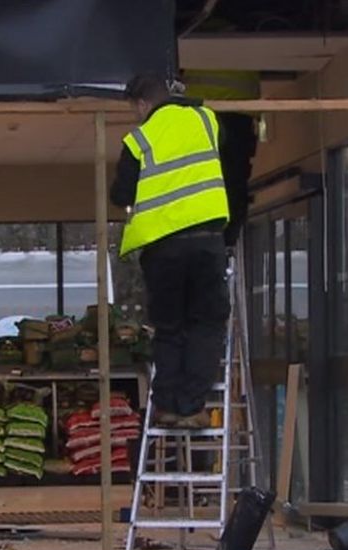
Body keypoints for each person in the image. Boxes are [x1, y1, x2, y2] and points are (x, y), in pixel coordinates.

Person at [110, 73, 231, 429]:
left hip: (164, 249)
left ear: (143, 104)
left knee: (168, 326)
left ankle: (165, 405)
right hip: (207, 241)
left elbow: (121, 194)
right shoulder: (206, 120)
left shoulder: (139, 139)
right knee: (206, 324)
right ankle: (192, 407)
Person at [181, 69, 261, 249]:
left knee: (199, 175)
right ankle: (225, 238)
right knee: (232, 179)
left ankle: (215, 235)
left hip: (200, 109)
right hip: (239, 109)